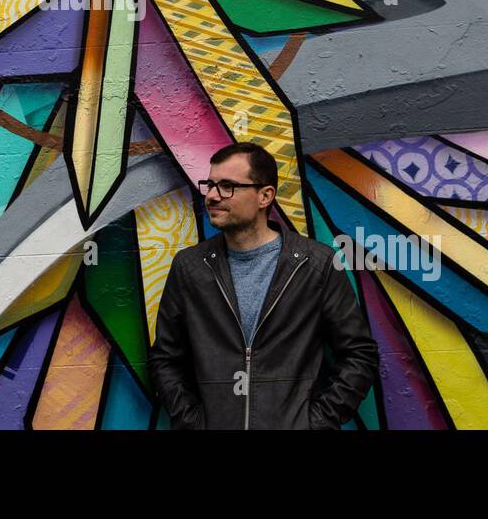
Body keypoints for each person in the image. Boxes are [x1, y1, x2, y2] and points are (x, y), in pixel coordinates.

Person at [147, 142, 379, 429]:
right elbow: (165, 358)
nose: (213, 196)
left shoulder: (315, 265)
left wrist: (314, 423)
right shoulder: (191, 267)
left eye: (228, 186)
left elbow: (359, 353)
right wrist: (193, 422)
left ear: (265, 196)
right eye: (210, 184)